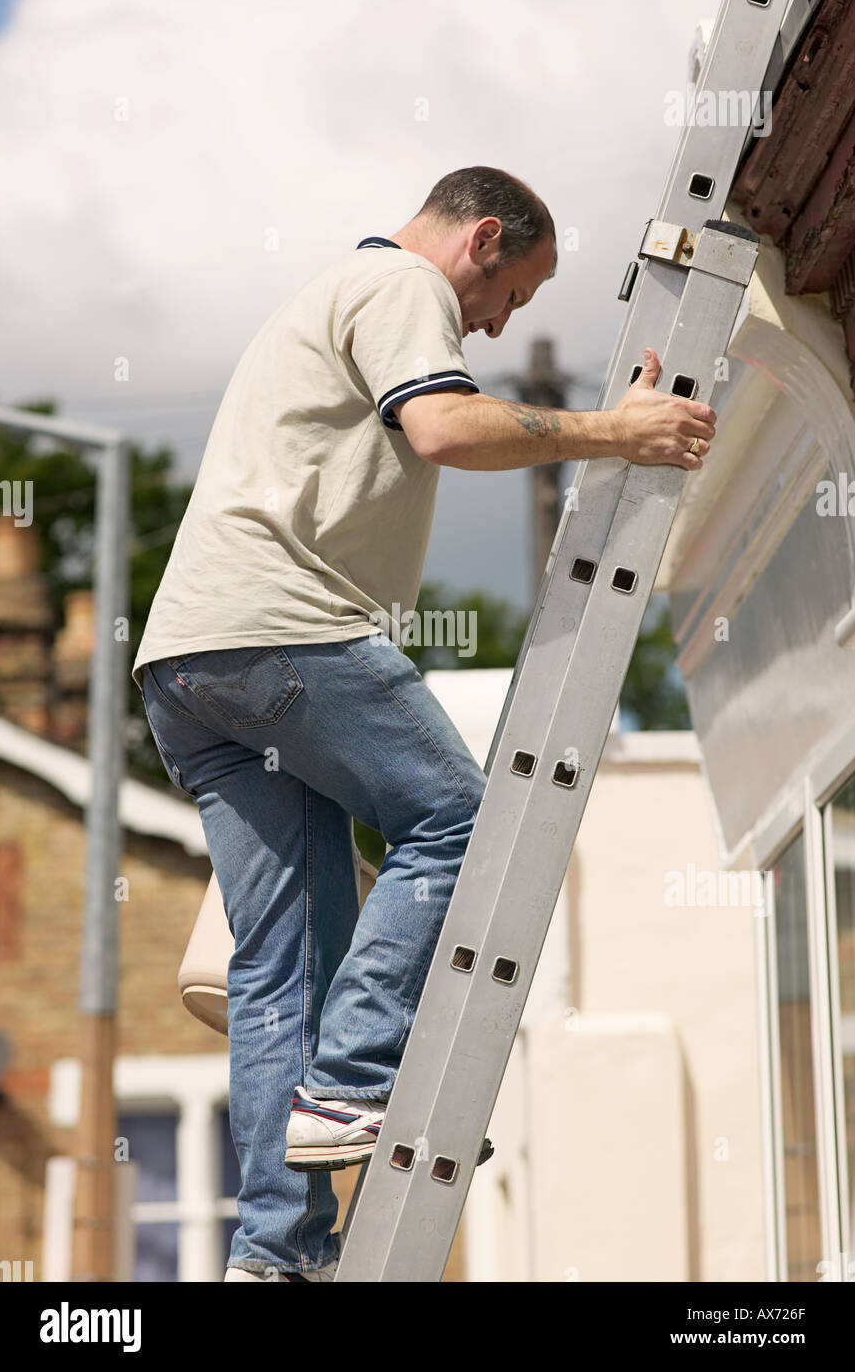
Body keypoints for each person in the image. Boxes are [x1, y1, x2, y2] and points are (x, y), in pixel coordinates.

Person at [131, 165, 716, 1283]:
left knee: (277, 967)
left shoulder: (327, 299)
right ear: (480, 239)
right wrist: (617, 432)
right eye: (511, 296)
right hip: (282, 635)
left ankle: (274, 1253)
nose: (496, 323)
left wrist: (605, 422)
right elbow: (445, 426)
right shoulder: (401, 286)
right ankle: (352, 1084)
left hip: (187, 666)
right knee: (463, 822)